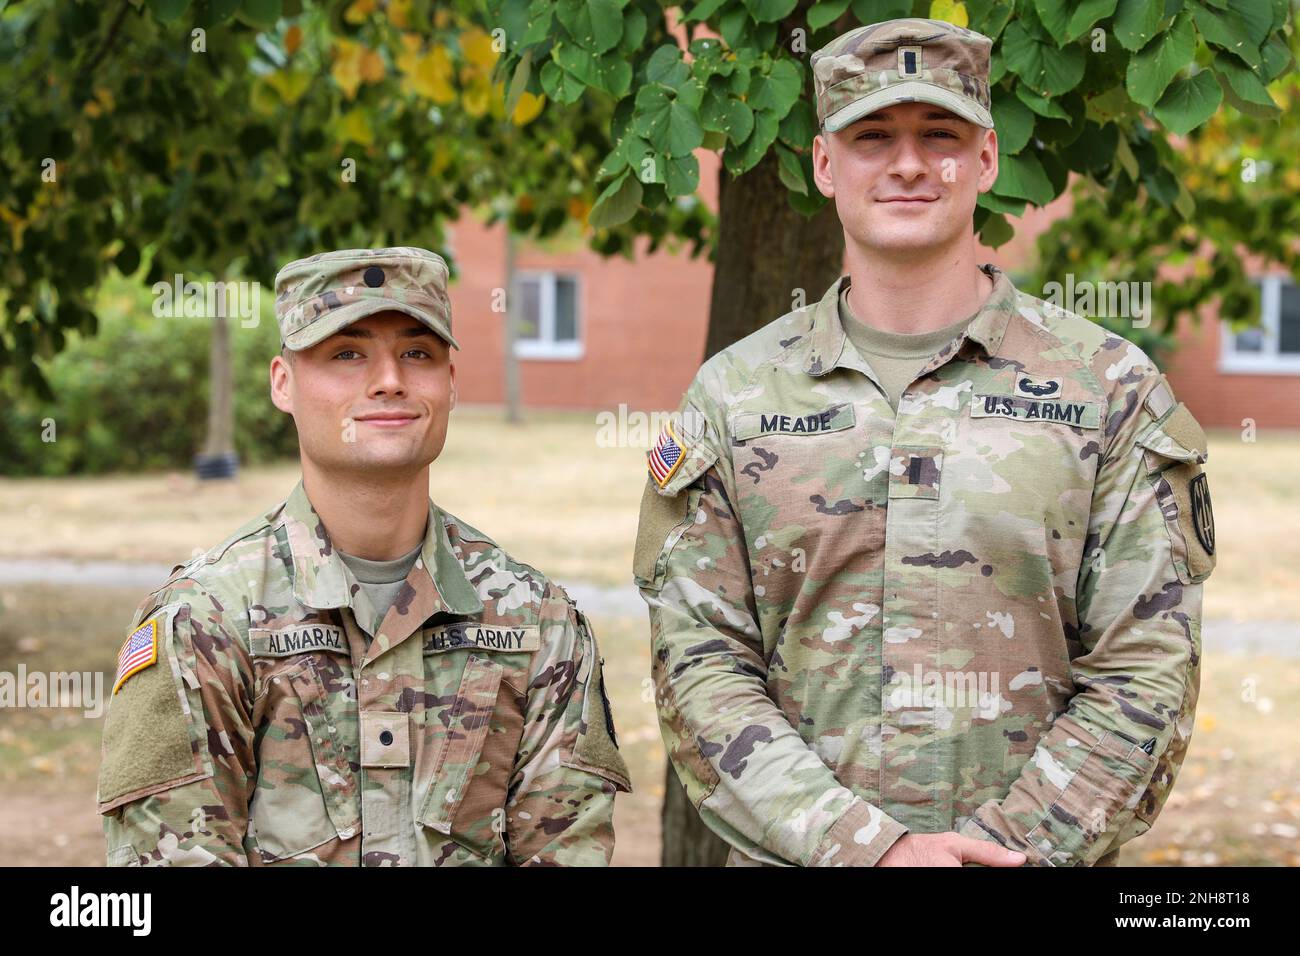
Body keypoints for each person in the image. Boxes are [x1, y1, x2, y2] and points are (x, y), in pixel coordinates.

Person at [635, 19, 1214, 867]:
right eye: (872, 136)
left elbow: (1147, 669)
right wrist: (868, 850)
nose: (908, 164)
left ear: (985, 161)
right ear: (825, 165)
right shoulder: (733, 395)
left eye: (938, 135)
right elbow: (700, 666)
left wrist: (1005, 852)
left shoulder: (1109, 390)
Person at [98, 247, 630, 866]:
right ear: (282, 383)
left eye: (418, 353)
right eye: (346, 353)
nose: (390, 380)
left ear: (451, 385)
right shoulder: (204, 623)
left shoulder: (538, 623)